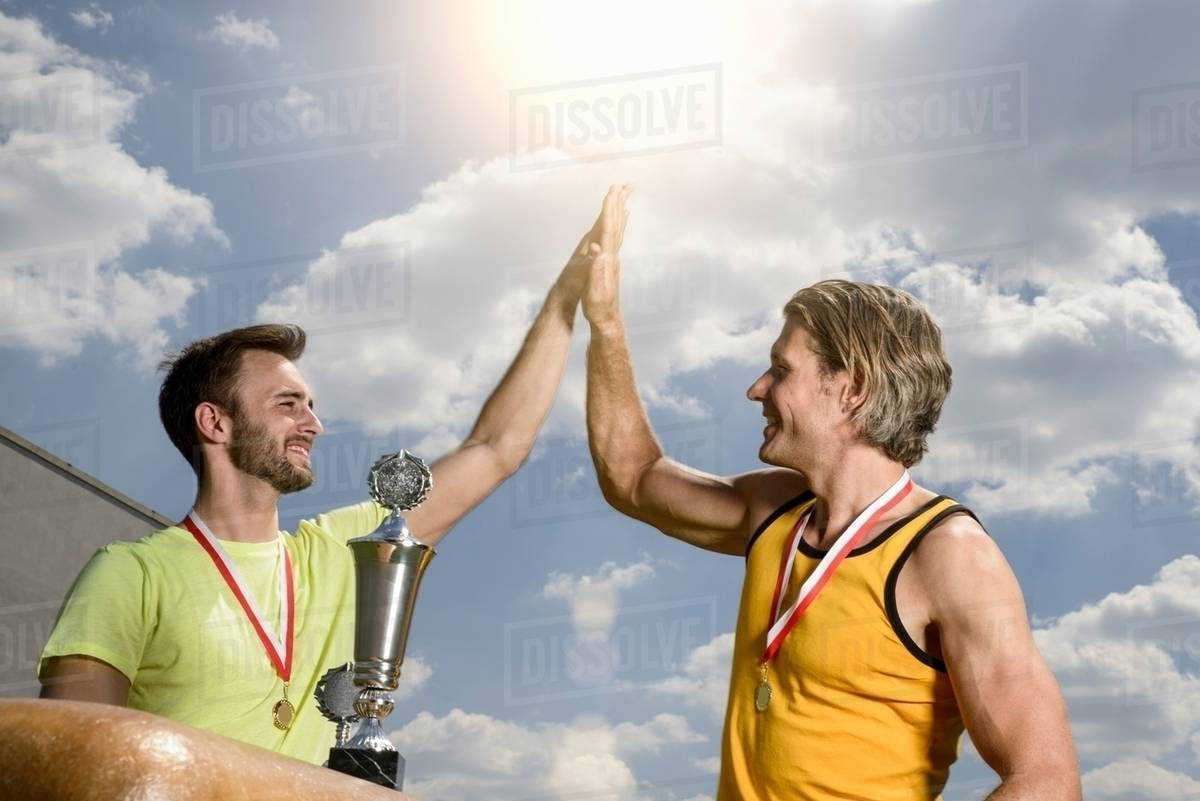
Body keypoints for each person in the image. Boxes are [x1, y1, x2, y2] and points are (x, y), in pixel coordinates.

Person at [37, 190, 620, 766]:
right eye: (288, 404)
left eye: (311, 406)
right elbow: (73, 761)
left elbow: (495, 449)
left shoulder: (350, 550)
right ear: (215, 422)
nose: (313, 424)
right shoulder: (131, 573)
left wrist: (565, 298)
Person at [581, 185, 1081, 799]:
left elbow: (1046, 780)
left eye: (781, 370)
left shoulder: (948, 554)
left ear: (853, 390)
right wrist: (604, 322)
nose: (756, 389)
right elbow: (632, 478)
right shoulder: (774, 509)